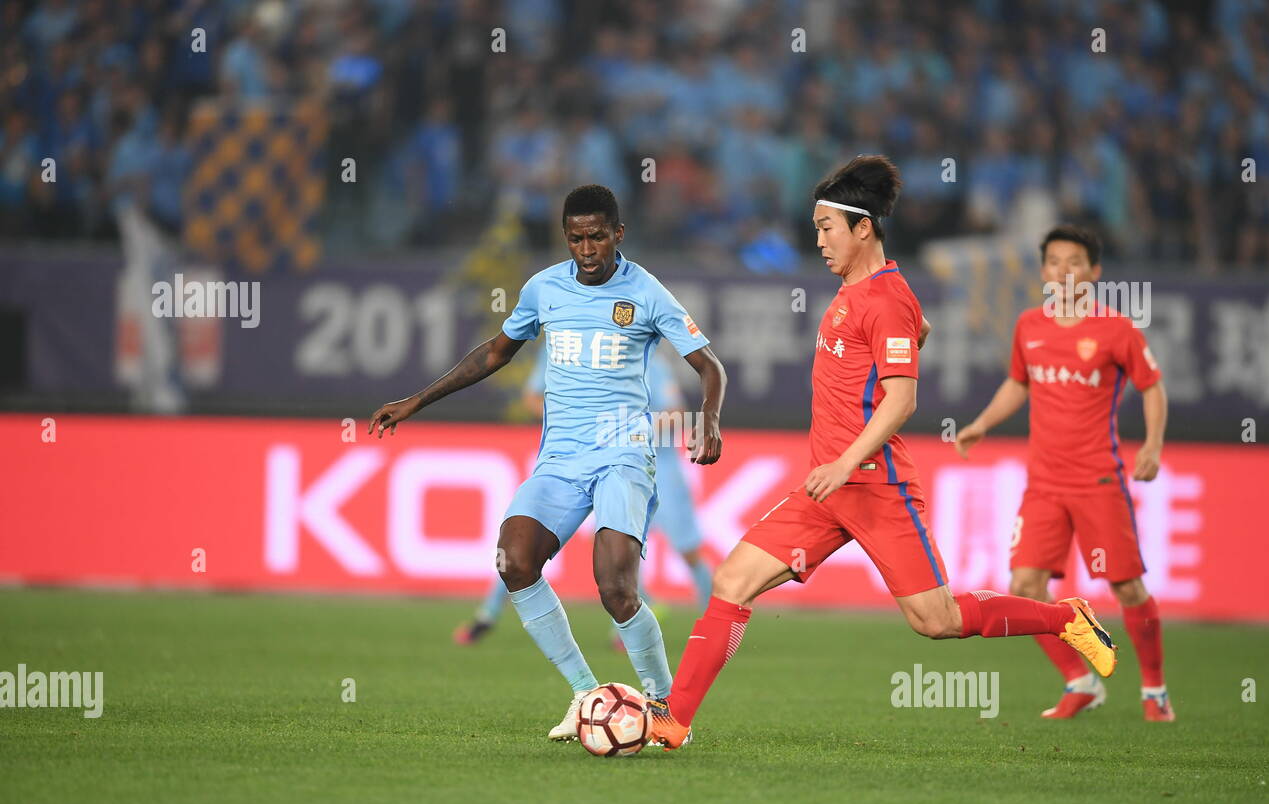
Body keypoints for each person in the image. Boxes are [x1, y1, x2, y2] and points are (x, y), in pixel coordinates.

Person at [648, 156, 1116, 750]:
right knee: (733, 580)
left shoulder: (884, 298)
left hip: (874, 485)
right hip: (825, 492)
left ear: (862, 228)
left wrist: (846, 461)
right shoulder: (863, 292)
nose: (818, 240)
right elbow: (908, 339)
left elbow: (901, 402)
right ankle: (675, 721)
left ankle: (1065, 617)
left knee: (936, 621)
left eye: (826, 228)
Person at [370, 184, 726, 740]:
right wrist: (416, 399)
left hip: (623, 454)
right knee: (513, 561)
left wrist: (707, 421)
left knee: (614, 587)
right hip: (559, 459)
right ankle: (586, 695)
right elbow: (494, 353)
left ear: (618, 234)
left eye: (598, 236)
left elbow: (710, 368)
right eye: (577, 238)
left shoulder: (648, 293)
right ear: (567, 238)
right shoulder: (545, 289)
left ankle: (663, 708)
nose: (587, 248)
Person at [955, 225, 1173, 721]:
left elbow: (1152, 387)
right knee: (1024, 584)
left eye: (1074, 262)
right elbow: (1018, 382)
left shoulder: (1117, 329)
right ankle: (1080, 680)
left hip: (1098, 480)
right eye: (1053, 262)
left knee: (1126, 588)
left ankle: (1155, 690)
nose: (1062, 271)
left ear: (1094, 272)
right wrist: (981, 424)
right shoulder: (1029, 325)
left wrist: (1154, 445)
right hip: (1044, 485)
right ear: (1043, 271)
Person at [452, 345, 715, 646]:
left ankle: (712, 624)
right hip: (579, 461)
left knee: (686, 551)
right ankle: (488, 614)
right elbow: (533, 397)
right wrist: (576, 421)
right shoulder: (558, 349)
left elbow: (676, 415)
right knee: (531, 533)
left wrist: (621, 430)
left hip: (655, 467)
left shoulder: (638, 355)